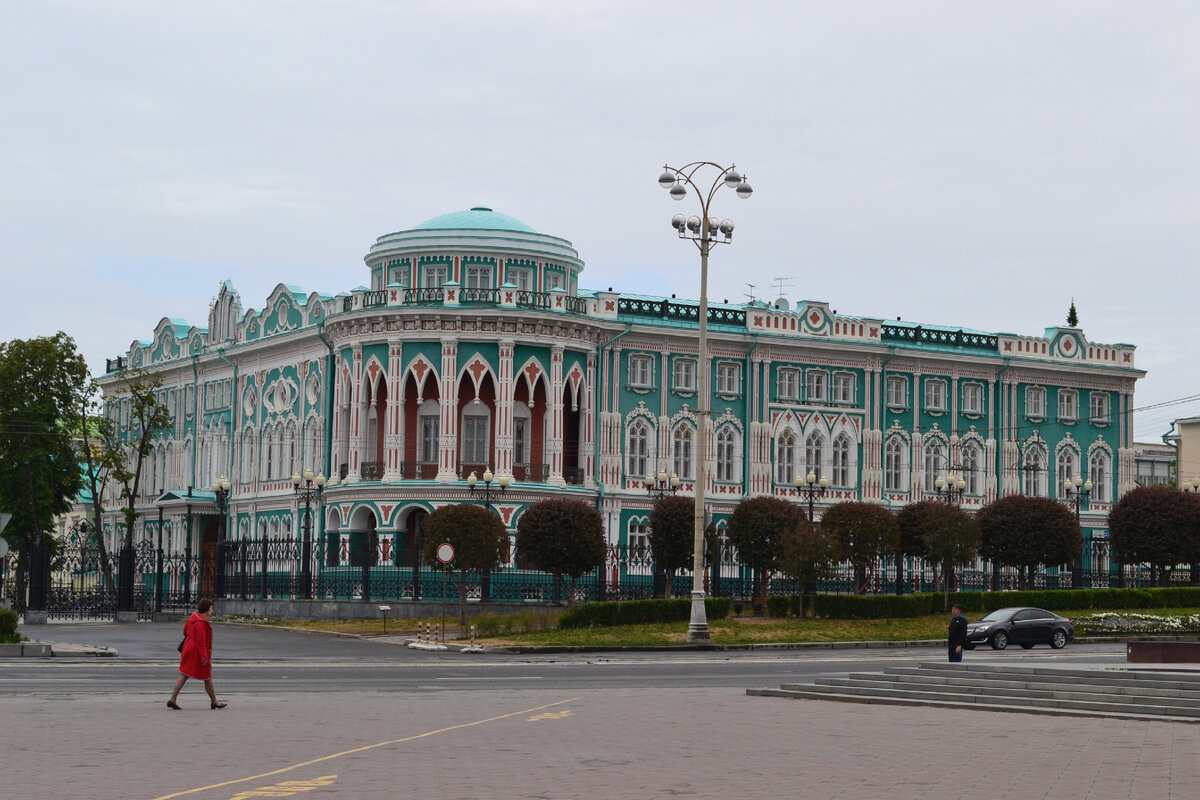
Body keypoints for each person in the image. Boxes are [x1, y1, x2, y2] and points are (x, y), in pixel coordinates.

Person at [167, 598, 226, 709]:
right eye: (211, 607)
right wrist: (204, 656)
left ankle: (173, 699)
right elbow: (202, 642)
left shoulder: (193, 617)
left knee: (184, 674)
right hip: (196, 652)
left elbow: (185, 631)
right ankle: (214, 702)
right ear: (207, 608)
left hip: (188, 648)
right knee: (207, 676)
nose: (212, 610)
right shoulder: (201, 623)